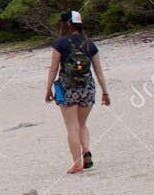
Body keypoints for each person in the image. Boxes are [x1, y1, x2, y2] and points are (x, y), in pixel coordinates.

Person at [44, 9, 109, 174]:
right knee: (82, 124)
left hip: (67, 89)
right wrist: (105, 93)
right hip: (88, 88)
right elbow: (99, 71)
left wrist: (48, 89)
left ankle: (77, 163)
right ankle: (85, 148)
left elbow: (53, 69)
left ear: (68, 24)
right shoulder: (89, 44)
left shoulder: (60, 43)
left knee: (72, 127)